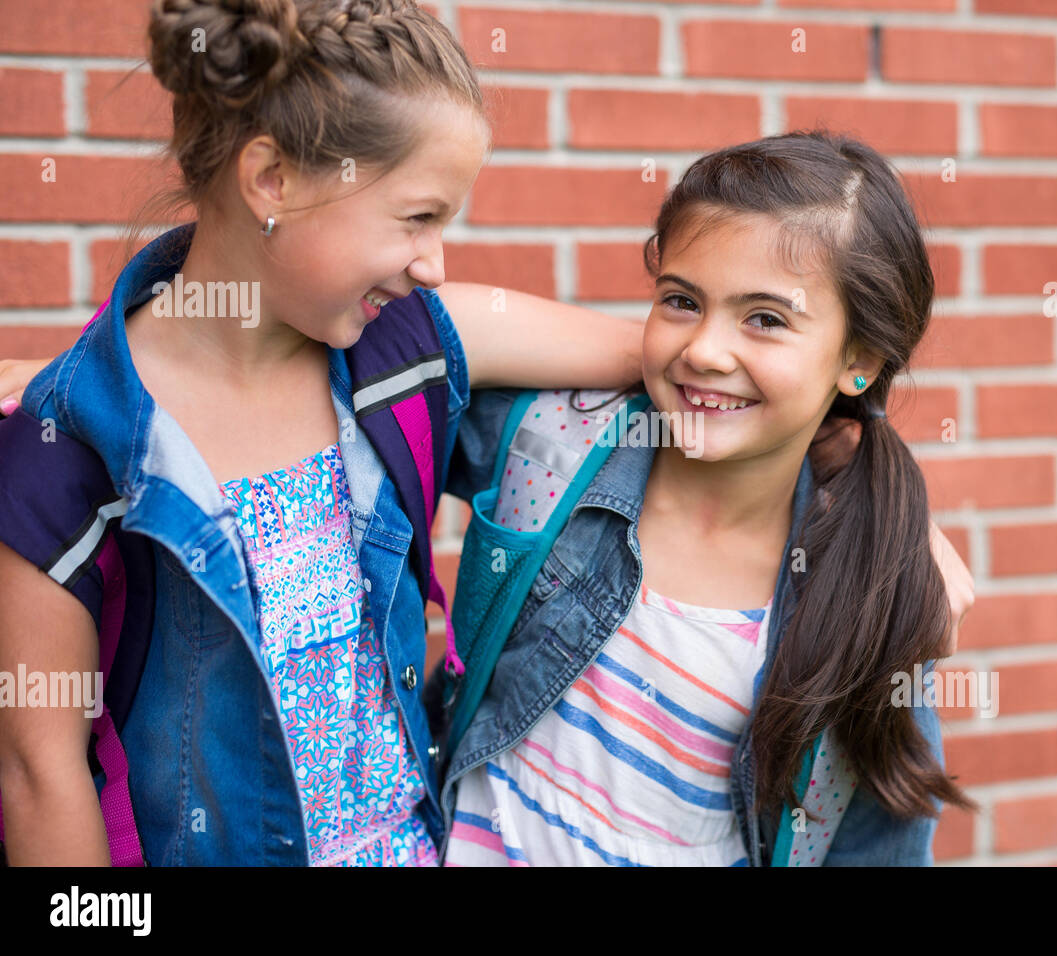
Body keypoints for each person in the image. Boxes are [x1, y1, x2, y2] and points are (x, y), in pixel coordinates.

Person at [0, 0, 643, 866]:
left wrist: (816, 391)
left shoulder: (408, 346)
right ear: (272, 180)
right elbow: (41, 773)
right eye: (417, 217)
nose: (435, 262)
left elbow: (669, 355)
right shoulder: (69, 448)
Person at [433, 131, 978, 867]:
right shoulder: (556, 445)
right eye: (682, 300)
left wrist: (902, 541)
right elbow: (421, 338)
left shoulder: (867, 603)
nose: (707, 350)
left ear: (860, 360)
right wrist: (651, 356)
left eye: (766, 318)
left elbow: (880, 845)